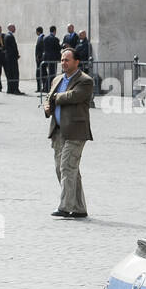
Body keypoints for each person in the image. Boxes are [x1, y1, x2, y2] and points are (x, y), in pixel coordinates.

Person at [45, 48, 94, 218]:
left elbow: (74, 96)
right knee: (67, 169)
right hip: (58, 131)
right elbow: (49, 98)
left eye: (67, 60)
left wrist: (56, 97)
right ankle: (79, 208)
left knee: (67, 167)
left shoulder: (85, 81)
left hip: (75, 132)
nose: (63, 63)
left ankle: (65, 207)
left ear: (76, 62)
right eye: (62, 60)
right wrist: (47, 106)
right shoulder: (57, 79)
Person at [4, 24, 22, 94]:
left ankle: (10, 89)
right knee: (15, 73)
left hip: (9, 58)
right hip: (12, 58)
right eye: (13, 27)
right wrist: (16, 55)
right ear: (10, 28)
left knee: (10, 74)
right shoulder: (9, 36)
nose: (15, 28)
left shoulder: (6, 36)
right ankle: (15, 89)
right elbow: (13, 48)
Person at [34, 26, 45, 93]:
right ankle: (39, 87)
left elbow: (42, 49)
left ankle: (43, 87)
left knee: (41, 73)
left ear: (38, 32)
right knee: (39, 73)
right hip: (39, 59)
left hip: (40, 59)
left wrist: (39, 57)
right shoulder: (40, 38)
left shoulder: (42, 38)